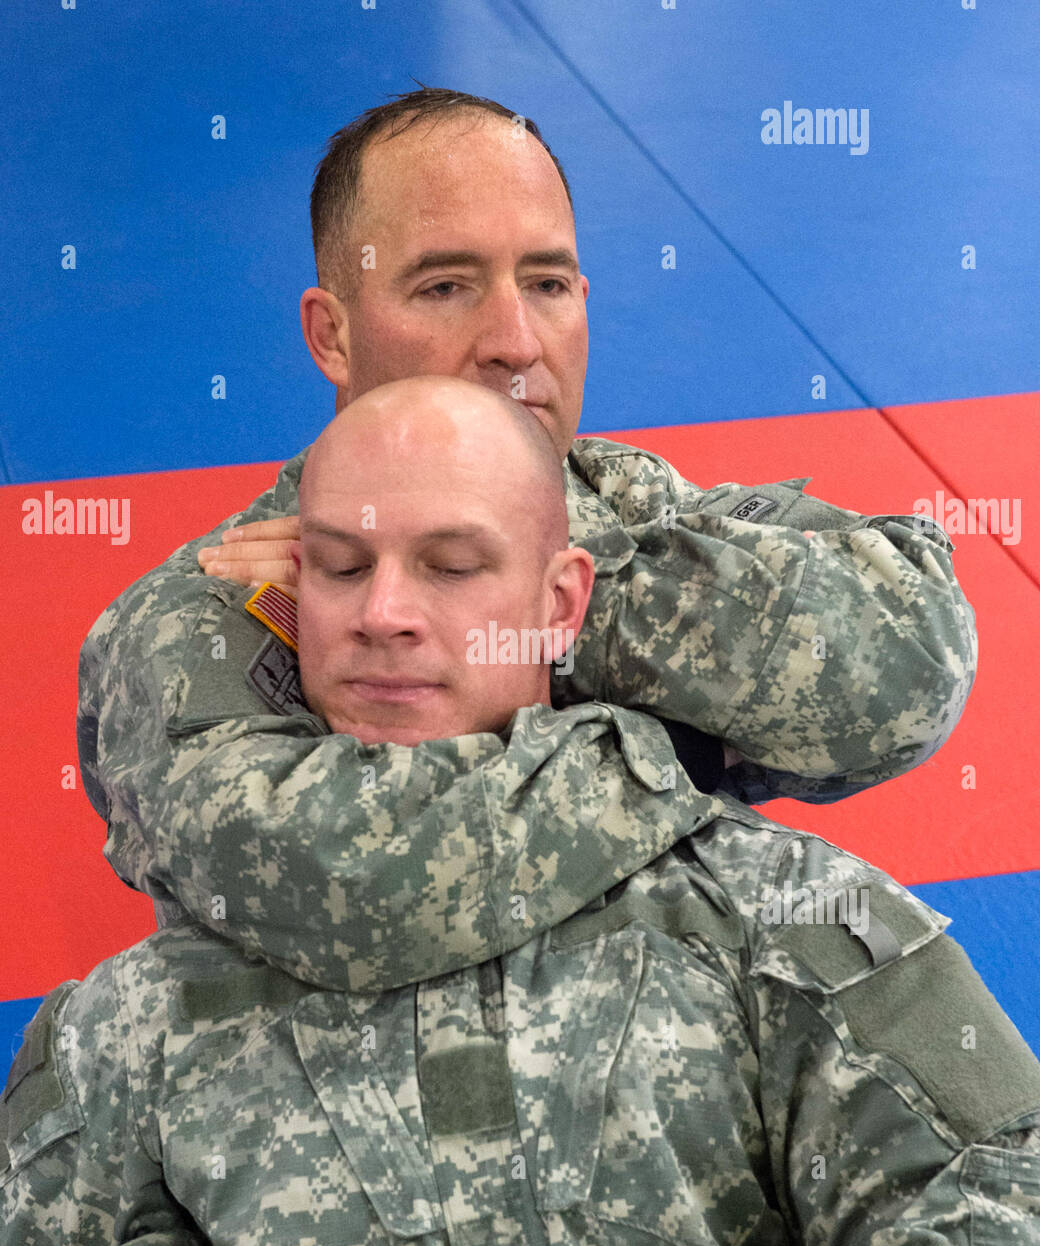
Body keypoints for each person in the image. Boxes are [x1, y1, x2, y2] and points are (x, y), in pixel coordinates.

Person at [3, 378, 1036, 1246]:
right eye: (338, 567)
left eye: (450, 565)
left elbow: (991, 1220)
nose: (384, 613)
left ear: (560, 603)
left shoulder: (786, 923)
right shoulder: (130, 1027)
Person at [72, 89, 977, 978]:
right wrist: (691, 756)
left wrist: (561, 602)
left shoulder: (632, 501)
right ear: (333, 336)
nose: (515, 339)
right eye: (445, 286)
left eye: (545, 284)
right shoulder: (211, 606)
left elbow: (910, 668)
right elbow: (344, 885)